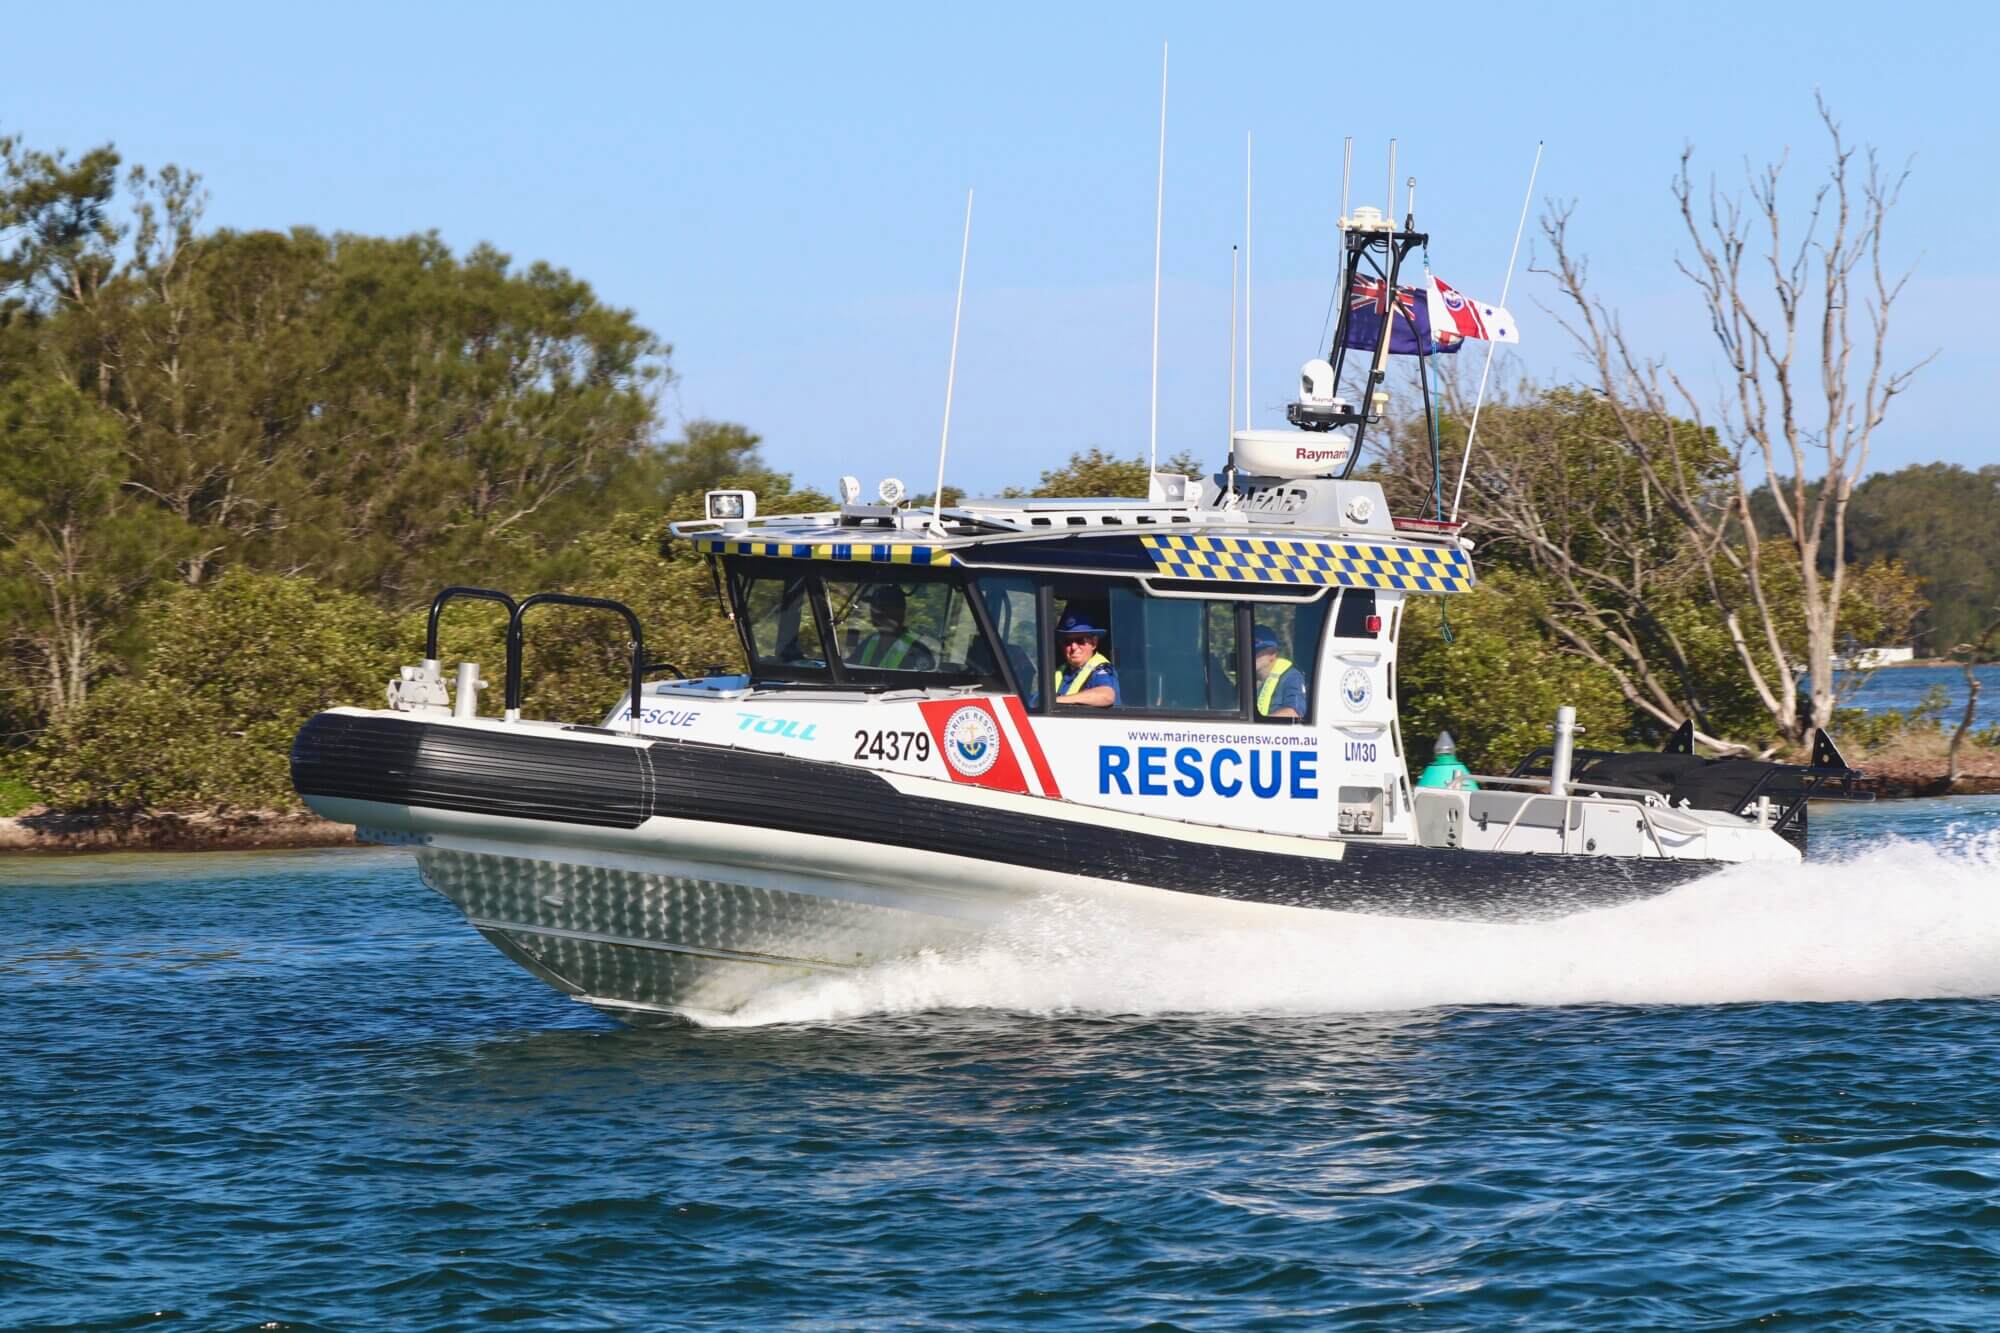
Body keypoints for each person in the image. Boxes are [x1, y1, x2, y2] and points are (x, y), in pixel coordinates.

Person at [848, 584, 935, 671]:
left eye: (880, 607)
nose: (874, 612)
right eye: (873, 606)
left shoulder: (918, 650)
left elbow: (922, 681)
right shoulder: (870, 642)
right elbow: (848, 668)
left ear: (898, 612)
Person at [1051, 609, 1119, 707]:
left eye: (1080, 640)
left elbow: (1106, 696)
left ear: (1094, 643)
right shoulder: (1060, 671)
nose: (1073, 647)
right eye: (1067, 642)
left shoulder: (1101, 669)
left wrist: (1057, 701)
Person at [1253, 624, 1308, 719]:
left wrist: (1260, 725)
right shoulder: (1246, 680)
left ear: (1272, 653)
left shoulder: (1291, 677)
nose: (1249, 655)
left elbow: (1295, 712)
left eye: (1255, 651)